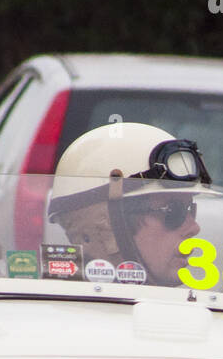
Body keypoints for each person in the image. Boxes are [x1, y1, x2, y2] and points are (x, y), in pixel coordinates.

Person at [48, 122, 212, 286]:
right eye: (174, 211)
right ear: (106, 225)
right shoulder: (51, 310)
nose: (194, 228)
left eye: (191, 209)